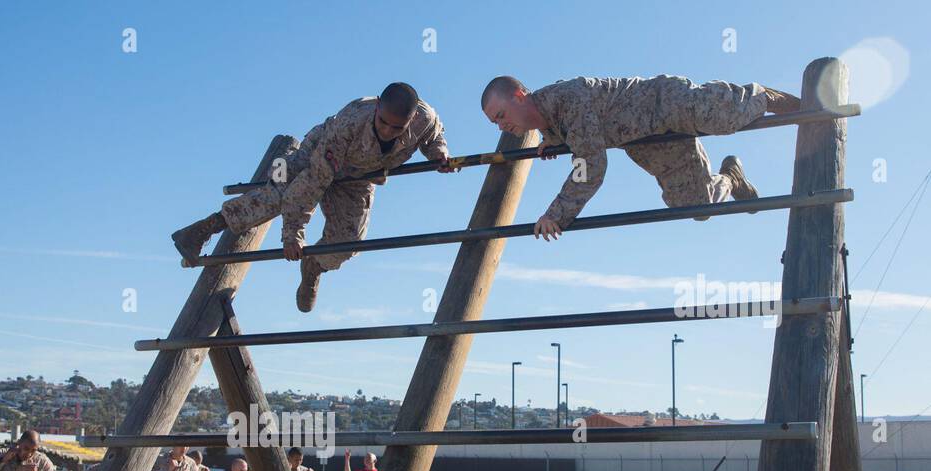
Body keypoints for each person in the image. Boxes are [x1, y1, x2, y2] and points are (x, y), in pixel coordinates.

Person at [172, 82, 454, 311]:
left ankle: (314, 267)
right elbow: (313, 181)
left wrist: (438, 153)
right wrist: (293, 233)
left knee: (349, 241)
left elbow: (434, 135)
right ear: (377, 105)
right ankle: (200, 231)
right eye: (383, 122)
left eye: (397, 127)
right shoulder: (350, 122)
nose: (387, 130)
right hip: (317, 156)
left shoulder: (424, 119)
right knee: (276, 195)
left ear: (412, 118)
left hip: (359, 176)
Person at [478, 73, 802, 240]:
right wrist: (552, 141)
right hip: (646, 142)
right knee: (696, 206)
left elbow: (590, 165)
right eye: (494, 122)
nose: (501, 125)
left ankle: (789, 102)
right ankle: (730, 178)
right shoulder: (548, 121)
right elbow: (565, 132)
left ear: (520, 96)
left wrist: (555, 215)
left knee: (724, 115)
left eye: (501, 114)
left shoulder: (567, 99)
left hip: (661, 102)